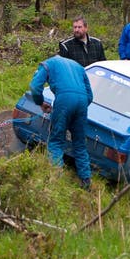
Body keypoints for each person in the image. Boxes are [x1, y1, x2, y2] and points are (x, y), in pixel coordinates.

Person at [29, 55, 94, 189]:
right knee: (80, 144)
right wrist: (76, 112)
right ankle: (86, 182)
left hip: (64, 100)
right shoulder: (78, 66)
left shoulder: (47, 64)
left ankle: (56, 180)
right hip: (82, 103)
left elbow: (35, 87)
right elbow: (90, 96)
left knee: (56, 141)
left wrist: (40, 102)